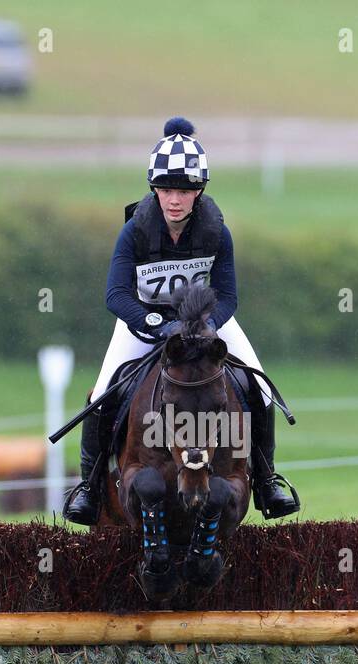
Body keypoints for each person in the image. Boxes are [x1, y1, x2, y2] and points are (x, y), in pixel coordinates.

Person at [62, 116, 300, 525]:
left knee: (259, 386)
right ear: (154, 189)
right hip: (142, 319)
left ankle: (266, 479)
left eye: (185, 191)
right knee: (101, 393)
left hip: (203, 322)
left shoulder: (217, 232)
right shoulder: (135, 232)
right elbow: (116, 295)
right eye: (167, 190)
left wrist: (205, 327)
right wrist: (156, 324)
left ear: (199, 192)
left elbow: (228, 296)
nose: (175, 200)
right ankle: (90, 486)